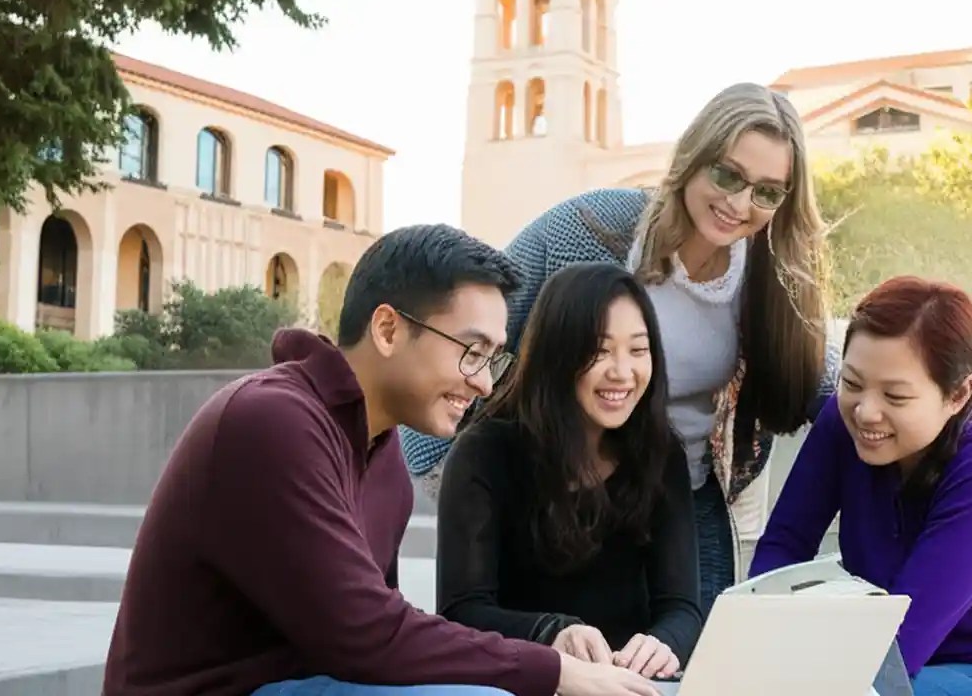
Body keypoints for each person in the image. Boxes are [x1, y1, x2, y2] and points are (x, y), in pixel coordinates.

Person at [102, 225, 662, 696]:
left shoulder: (382, 453)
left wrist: (542, 655)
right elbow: (367, 634)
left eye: (494, 357)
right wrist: (554, 670)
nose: (486, 384)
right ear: (389, 328)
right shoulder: (271, 422)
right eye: (471, 352)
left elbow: (383, 634)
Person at [403, 82, 839, 613]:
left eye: (768, 192)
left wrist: (959, 426)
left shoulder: (772, 279)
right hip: (554, 480)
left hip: (679, 492)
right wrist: (440, 457)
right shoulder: (589, 229)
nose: (739, 204)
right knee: (549, 652)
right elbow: (479, 319)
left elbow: (832, 388)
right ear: (693, 157)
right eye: (727, 175)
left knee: (685, 659)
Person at [748, 276, 972, 696]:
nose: (866, 411)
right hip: (892, 667)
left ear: (958, 395)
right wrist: (745, 647)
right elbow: (784, 545)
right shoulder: (842, 421)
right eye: (851, 383)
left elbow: (898, 647)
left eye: (896, 397)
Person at [436, 263, 703, 682]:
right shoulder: (484, 453)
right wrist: (553, 633)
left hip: (629, 684)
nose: (622, 372)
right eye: (598, 351)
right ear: (556, 355)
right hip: (526, 680)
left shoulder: (660, 452)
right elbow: (461, 611)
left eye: (638, 349)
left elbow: (682, 606)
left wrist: (663, 642)